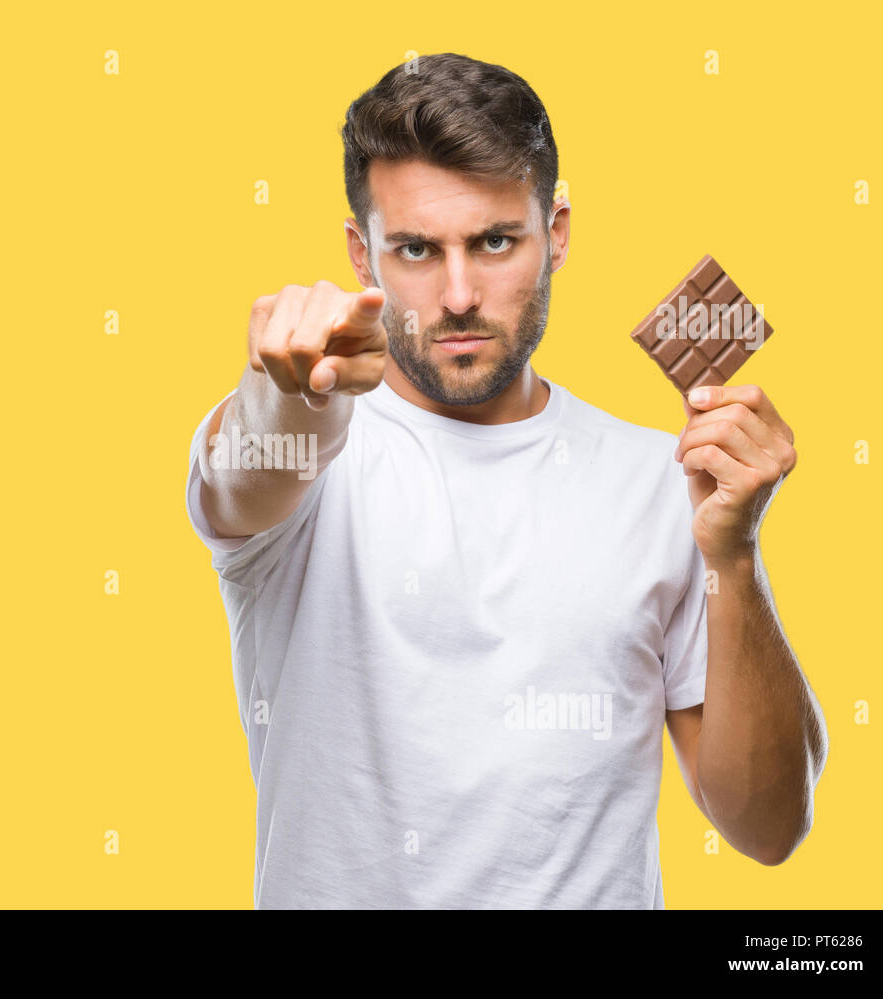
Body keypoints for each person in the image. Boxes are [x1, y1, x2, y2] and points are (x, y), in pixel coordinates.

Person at [184, 52, 826, 908]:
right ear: (360, 252)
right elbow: (248, 474)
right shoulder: (309, 460)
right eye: (415, 249)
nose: (457, 294)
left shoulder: (662, 479)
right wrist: (287, 390)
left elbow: (769, 827)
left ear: (555, 230)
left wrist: (735, 555)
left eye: (494, 241)